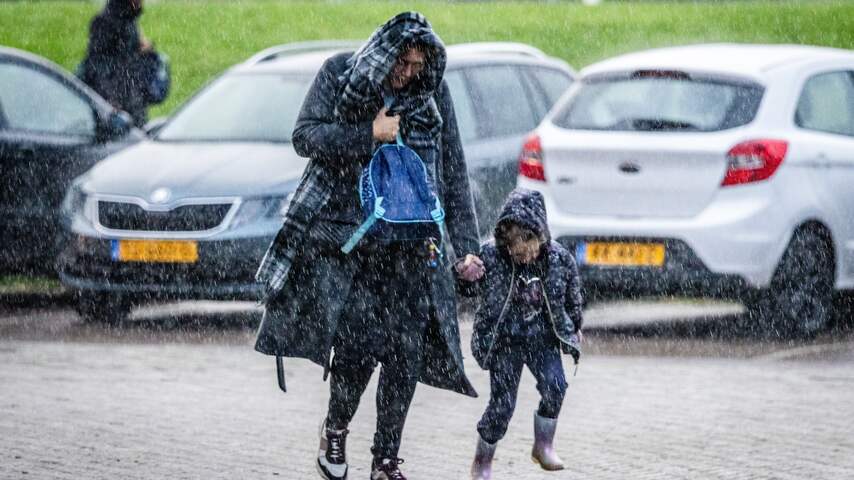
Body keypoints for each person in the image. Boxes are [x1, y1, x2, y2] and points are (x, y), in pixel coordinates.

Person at [254, 12, 485, 480]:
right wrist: (369, 135)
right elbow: (305, 136)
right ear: (384, 55)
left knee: (405, 352)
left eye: (417, 65)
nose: (408, 73)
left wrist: (466, 246)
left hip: (414, 244)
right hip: (354, 243)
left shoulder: (432, 93)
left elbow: (452, 171)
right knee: (358, 348)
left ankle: (385, 459)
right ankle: (336, 429)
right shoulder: (340, 74)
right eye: (402, 62)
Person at [462, 188, 584, 480]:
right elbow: (467, 289)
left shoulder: (559, 258)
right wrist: (464, 274)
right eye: (516, 252)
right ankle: (482, 461)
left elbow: (572, 293)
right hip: (506, 341)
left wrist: (576, 324)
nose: (525, 256)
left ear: (541, 236)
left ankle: (543, 445)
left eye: (530, 249)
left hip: (542, 339)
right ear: (505, 243)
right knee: (502, 405)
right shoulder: (490, 256)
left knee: (556, 386)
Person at [78, 0, 152, 126]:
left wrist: (144, 50)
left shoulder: (129, 21)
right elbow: (97, 67)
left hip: (132, 102)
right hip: (115, 106)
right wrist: (111, 101)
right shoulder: (105, 22)